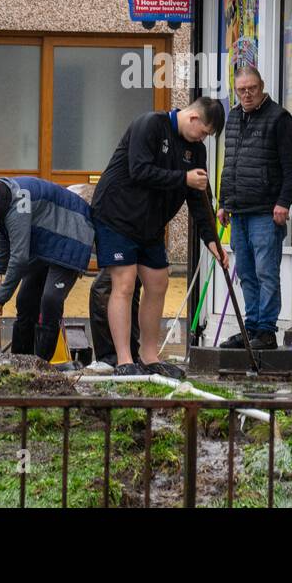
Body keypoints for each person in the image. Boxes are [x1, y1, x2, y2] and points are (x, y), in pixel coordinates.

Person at [90, 97, 228, 379]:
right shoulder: (150, 124)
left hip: (150, 226)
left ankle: (149, 356)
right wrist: (183, 178)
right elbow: (139, 170)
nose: (203, 138)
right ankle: (124, 360)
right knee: (125, 283)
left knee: (158, 282)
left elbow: (199, 198)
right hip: (117, 215)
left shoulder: (195, 151)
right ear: (193, 118)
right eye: (204, 132)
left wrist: (212, 240)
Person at [0, 175, 93, 362]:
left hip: (71, 235)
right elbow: (6, 233)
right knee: (25, 300)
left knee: (50, 300)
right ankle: (19, 362)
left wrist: (0, 299)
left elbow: (19, 258)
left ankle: (40, 365)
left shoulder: (16, 203)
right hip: (45, 240)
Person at [216, 66, 292, 350]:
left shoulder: (279, 118)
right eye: (241, 89)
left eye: (251, 88)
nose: (246, 94)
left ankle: (266, 330)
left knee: (266, 271)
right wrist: (223, 202)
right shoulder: (232, 117)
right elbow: (229, 163)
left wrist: (283, 202)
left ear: (262, 86)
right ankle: (250, 328)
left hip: (267, 211)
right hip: (239, 210)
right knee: (245, 273)